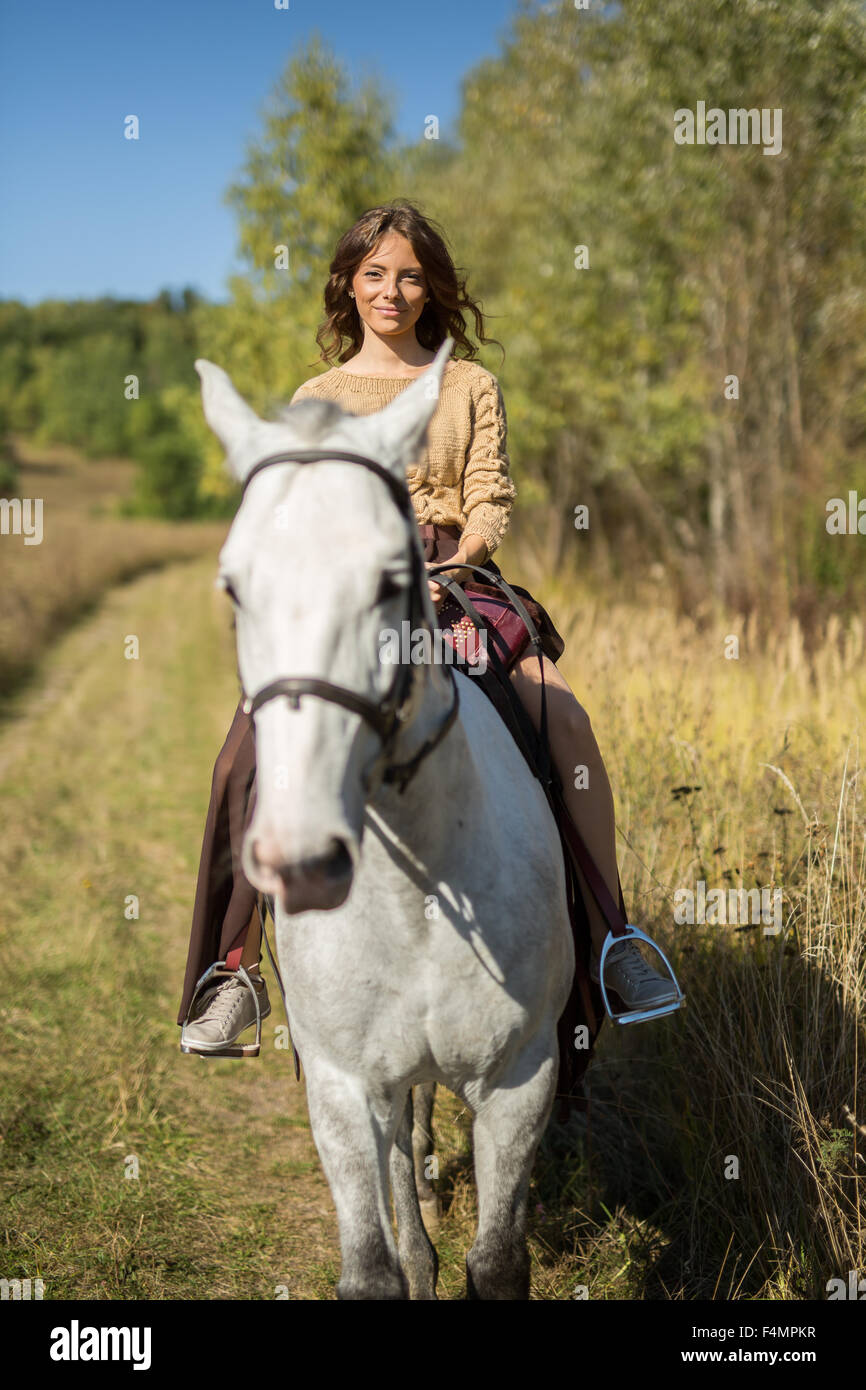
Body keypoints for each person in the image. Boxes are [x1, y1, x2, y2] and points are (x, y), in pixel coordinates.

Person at [178, 200, 677, 1056]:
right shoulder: (318, 396)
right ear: (350, 283)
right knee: (247, 751)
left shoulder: (471, 385)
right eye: (374, 273)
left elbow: (490, 495)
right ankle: (237, 967)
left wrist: (448, 568)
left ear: (431, 287)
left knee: (565, 720)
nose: (392, 290)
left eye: (409, 275)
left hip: (455, 577)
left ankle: (610, 941)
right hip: (349, 585)